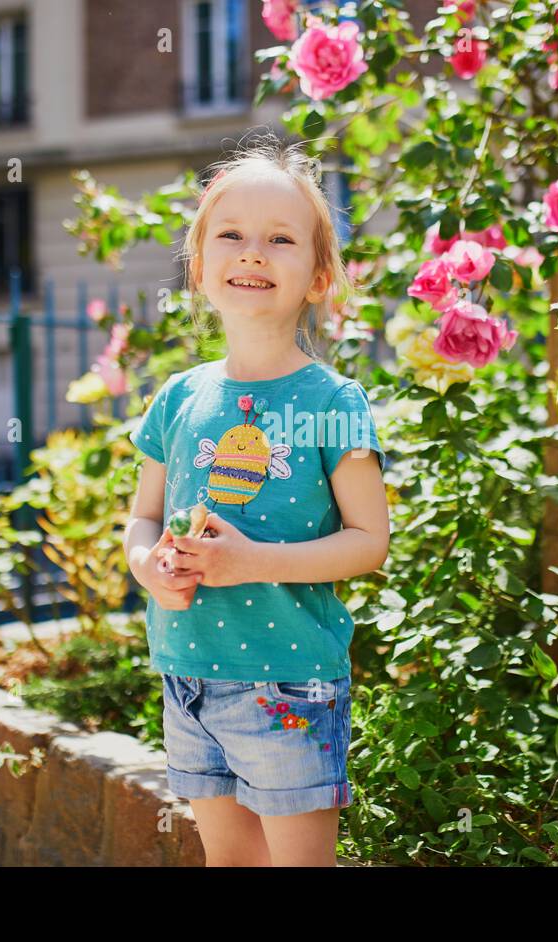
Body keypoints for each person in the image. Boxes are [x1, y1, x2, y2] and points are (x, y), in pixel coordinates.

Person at [123, 134, 389, 866]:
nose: (252, 253)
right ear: (200, 265)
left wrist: (250, 562)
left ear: (318, 277)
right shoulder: (179, 396)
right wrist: (148, 565)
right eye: (231, 235)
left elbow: (369, 540)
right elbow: (143, 517)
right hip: (188, 673)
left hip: (290, 681)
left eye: (280, 239)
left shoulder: (333, 402)